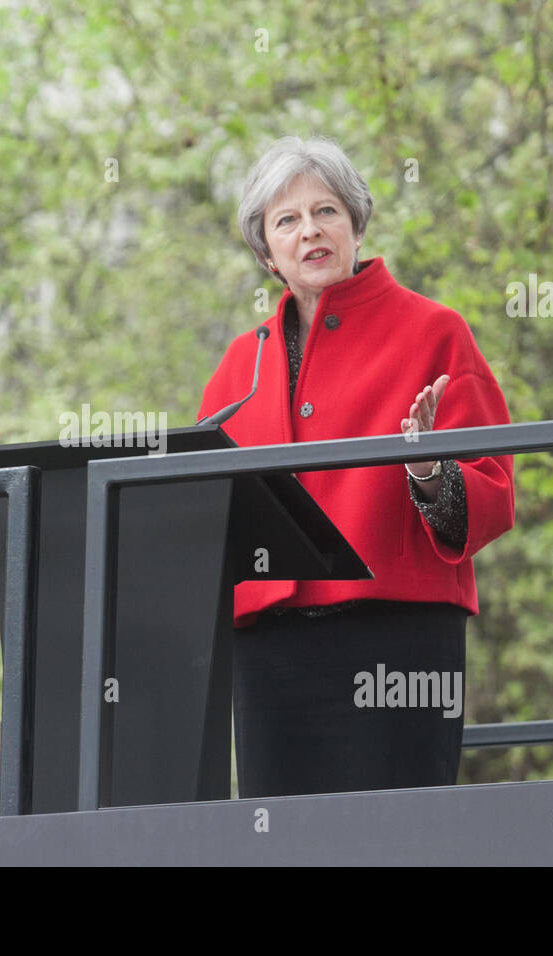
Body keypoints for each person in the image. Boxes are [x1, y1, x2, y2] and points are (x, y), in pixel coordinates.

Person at [198, 136, 515, 798]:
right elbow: (202, 507)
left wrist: (430, 472)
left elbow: (489, 495)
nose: (309, 231)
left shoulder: (435, 332)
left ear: (356, 224)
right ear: (265, 252)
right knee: (281, 848)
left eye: (327, 211)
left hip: (398, 639)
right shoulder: (239, 365)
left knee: (394, 843)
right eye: (286, 221)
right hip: (271, 652)